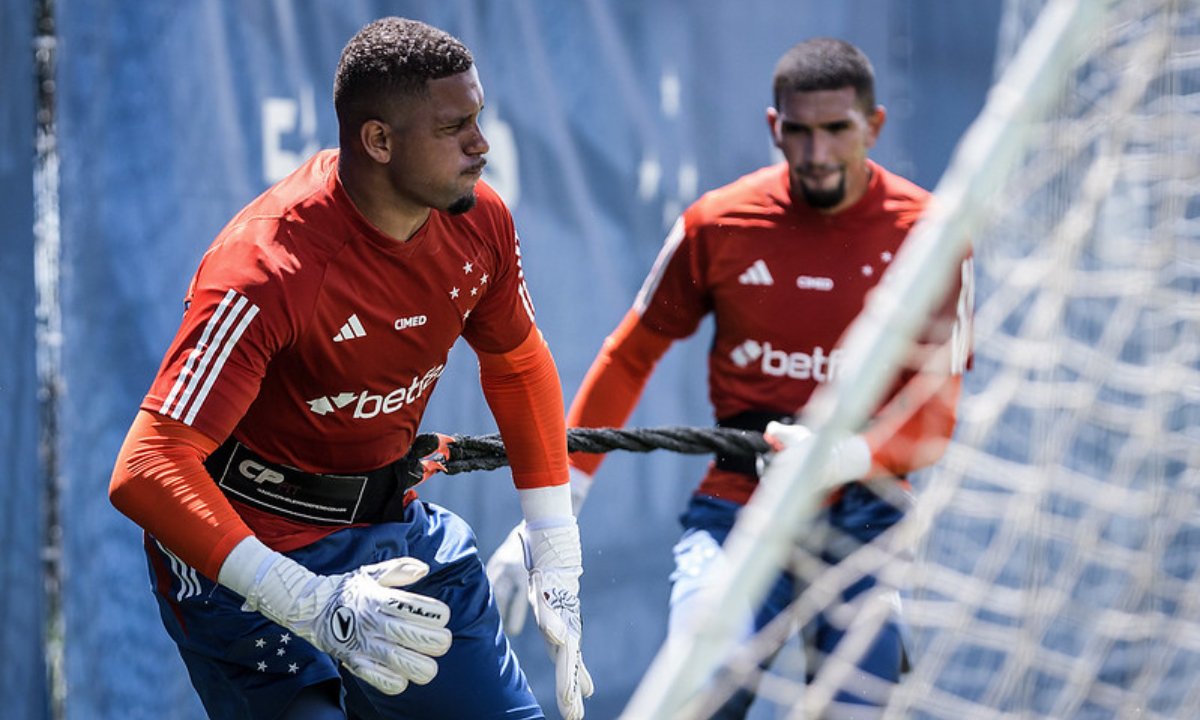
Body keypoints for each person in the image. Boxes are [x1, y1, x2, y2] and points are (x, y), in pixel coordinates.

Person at [109, 17, 593, 720]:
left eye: (479, 117)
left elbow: (517, 363)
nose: (481, 144)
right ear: (378, 140)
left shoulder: (479, 219)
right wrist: (308, 604)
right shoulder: (265, 267)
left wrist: (554, 542)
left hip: (393, 532)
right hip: (250, 564)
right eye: (455, 127)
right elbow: (147, 467)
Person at [487, 37, 972, 718]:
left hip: (865, 512)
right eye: (798, 132)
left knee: (861, 693)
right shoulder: (717, 224)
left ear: (875, 125)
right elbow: (629, 357)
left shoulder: (933, 235)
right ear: (774, 128)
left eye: (837, 129)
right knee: (697, 687)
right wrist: (555, 513)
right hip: (737, 500)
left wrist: (842, 456)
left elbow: (935, 416)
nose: (817, 152)